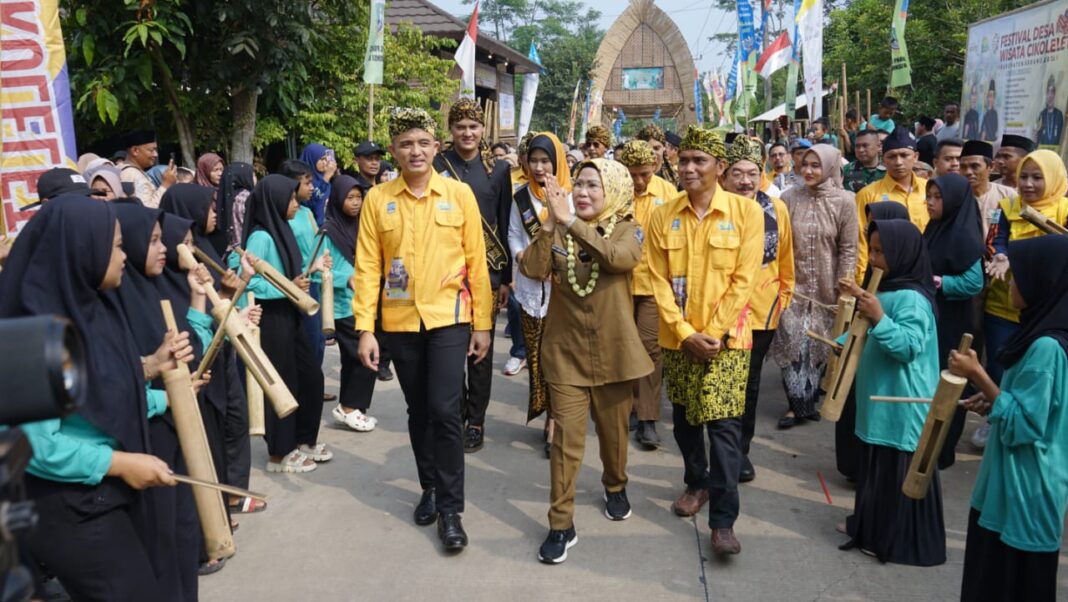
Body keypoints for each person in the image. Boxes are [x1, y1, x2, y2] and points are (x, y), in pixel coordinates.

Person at [2, 197, 190, 599]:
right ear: (81, 248)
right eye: (117, 245)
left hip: (105, 491)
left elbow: (107, 397)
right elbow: (32, 444)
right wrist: (120, 463)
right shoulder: (33, 334)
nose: (125, 256)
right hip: (67, 504)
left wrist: (164, 396)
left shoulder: (95, 310)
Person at [353, 107, 493, 552]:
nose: (415, 150)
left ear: (436, 147)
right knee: (418, 411)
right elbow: (368, 266)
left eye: (422, 142)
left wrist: (483, 324)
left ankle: (452, 510)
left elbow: (477, 262)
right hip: (399, 320)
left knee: (446, 410)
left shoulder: (459, 195)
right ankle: (429, 487)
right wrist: (365, 329)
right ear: (394, 150)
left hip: (450, 316)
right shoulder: (378, 200)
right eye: (405, 143)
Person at [521, 158, 652, 564]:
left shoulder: (631, 228)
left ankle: (615, 485)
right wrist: (549, 225)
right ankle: (561, 524)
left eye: (593, 185)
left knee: (614, 437)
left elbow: (618, 259)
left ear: (612, 189)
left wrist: (572, 223)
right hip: (566, 355)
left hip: (615, 353)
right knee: (566, 443)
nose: (582, 192)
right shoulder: (559, 225)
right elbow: (532, 268)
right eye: (578, 184)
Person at [645, 126, 763, 556]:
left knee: (725, 428)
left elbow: (744, 280)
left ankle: (724, 520)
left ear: (721, 167)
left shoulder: (747, 214)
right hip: (678, 341)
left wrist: (710, 333)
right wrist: (683, 333)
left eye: (700, 161)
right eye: (684, 160)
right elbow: (657, 280)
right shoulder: (663, 214)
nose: (690, 168)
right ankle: (696, 483)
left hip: (727, 342)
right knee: (686, 420)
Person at [949, 235, 1068, 602]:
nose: (1011, 284)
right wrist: (994, 398)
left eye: (1019, 277)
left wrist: (979, 375)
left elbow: (1027, 425)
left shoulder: (1046, 347)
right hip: (1013, 485)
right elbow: (1036, 406)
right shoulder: (1041, 334)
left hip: (1025, 490)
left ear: (1043, 283)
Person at [838, 219, 945, 567]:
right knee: (877, 470)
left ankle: (897, 541)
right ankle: (871, 530)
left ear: (903, 252)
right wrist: (842, 343)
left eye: (882, 251)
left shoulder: (912, 298)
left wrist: (880, 316)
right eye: (872, 250)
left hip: (902, 403)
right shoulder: (884, 289)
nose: (874, 259)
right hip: (879, 400)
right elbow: (864, 332)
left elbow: (908, 346)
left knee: (896, 473)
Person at [432, 98, 513, 453]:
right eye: (460, 126)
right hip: (444, 270)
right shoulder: (436, 164)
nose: (467, 132)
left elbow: (506, 221)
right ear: (451, 130)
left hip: (486, 273)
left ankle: (476, 420)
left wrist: (506, 278)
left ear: (483, 130)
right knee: (448, 348)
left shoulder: (498, 170)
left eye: (473, 127)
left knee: (479, 350)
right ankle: (457, 411)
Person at [236, 174, 327, 473]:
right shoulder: (261, 237)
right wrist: (286, 287)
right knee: (280, 382)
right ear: (273, 201)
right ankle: (279, 453)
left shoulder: (282, 229)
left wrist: (304, 276)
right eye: (289, 198)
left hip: (290, 313)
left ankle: (302, 440)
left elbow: (289, 272)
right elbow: (245, 282)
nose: (294, 203)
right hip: (270, 317)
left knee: (310, 377)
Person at [720, 136, 794, 479]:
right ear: (724, 175)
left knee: (748, 386)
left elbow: (786, 261)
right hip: (719, 311)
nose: (746, 180)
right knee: (722, 385)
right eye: (738, 173)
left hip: (762, 313)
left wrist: (782, 301)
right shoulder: (715, 208)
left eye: (752, 172)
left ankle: (739, 452)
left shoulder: (775, 208)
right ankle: (720, 451)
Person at [772, 145, 858, 429]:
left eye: (816, 166)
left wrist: (844, 286)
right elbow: (781, 243)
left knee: (817, 346)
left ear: (831, 168)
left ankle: (806, 403)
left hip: (826, 286)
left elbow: (848, 248)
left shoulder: (845, 201)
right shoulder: (788, 198)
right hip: (792, 287)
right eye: (805, 164)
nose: (808, 171)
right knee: (793, 344)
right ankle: (795, 406)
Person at [981, 150, 1068, 404]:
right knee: (1001, 366)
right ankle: (997, 416)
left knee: (1038, 371)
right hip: (1005, 304)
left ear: (1053, 178)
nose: (1028, 184)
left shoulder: (1064, 209)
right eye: (1024, 177)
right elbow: (994, 240)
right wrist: (1000, 255)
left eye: (1037, 178)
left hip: (1048, 312)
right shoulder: (1008, 206)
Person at [509, 133, 571, 457]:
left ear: (556, 161)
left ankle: (555, 421)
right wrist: (525, 258)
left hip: (563, 292)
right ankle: (544, 406)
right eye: (533, 160)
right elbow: (514, 237)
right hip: (532, 289)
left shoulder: (570, 198)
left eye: (545, 160)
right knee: (538, 358)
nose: (539, 167)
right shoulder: (521, 198)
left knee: (558, 359)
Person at [616, 140, 677, 450]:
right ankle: (628, 406)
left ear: (654, 167)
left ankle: (649, 418)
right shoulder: (614, 191)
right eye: (632, 174)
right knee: (623, 346)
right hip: (620, 283)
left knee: (650, 347)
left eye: (644, 174)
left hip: (654, 285)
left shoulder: (668, 194)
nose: (638, 182)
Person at [923, 174, 985, 470]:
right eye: (929, 196)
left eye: (937, 197)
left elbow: (973, 282)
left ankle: (942, 450)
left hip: (953, 321)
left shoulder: (964, 236)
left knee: (948, 383)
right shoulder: (935, 227)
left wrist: (940, 282)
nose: (930, 202)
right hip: (934, 316)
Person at [322, 175, 379, 433]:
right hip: (344, 306)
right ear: (337, 199)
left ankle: (353, 407)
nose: (356, 203)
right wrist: (346, 278)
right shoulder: (328, 232)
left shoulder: (362, 225)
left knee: (357, 358)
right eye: (350, 197)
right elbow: (314, 270)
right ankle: (349, 408)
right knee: (363, 358)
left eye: (359, 197)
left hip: (365, 302)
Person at [854, 126, 928, 284]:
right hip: (883, 278)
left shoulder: (929, 191)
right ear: (883, 159)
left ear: (915, 157)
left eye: (904, 155)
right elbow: (861, 242)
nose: (898, 162)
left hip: (924, 272)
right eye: (892, 156)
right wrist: (862, 282)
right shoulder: (868, 194)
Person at [959, 140, 1016, 237]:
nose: (968, 172)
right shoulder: (956, 197)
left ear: (991, 167)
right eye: (963, 167)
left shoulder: (1007, 195)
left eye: (974, 166)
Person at [120, 129, 176, 208]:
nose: (155, 154)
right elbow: (147, 212)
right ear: (135, 151)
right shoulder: (132, 175)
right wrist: (166, 184)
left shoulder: (121, 169)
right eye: (151, 150)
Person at [216, 162, 256, 251]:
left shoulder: (227, 196)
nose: (255, 178)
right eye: (253, 175)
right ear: (244, 177)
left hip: (232, 250)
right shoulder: (246, 197)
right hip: (248, 249)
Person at [297, 143, 338, 225]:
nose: (326, 162)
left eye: (327, 159)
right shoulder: (301, 180)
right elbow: (309, 203)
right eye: (322, 159)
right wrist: (326, 178)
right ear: (312, 159)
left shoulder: (326, 179)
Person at [1036, 75, 1064, 146]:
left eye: (1052, 92)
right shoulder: (1042, 115)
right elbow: (1038, 138)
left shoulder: (1059, 114)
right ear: (1046, 94)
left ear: (1054, 95)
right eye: (1048, 92)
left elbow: (1062, 136)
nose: (1050, 95)